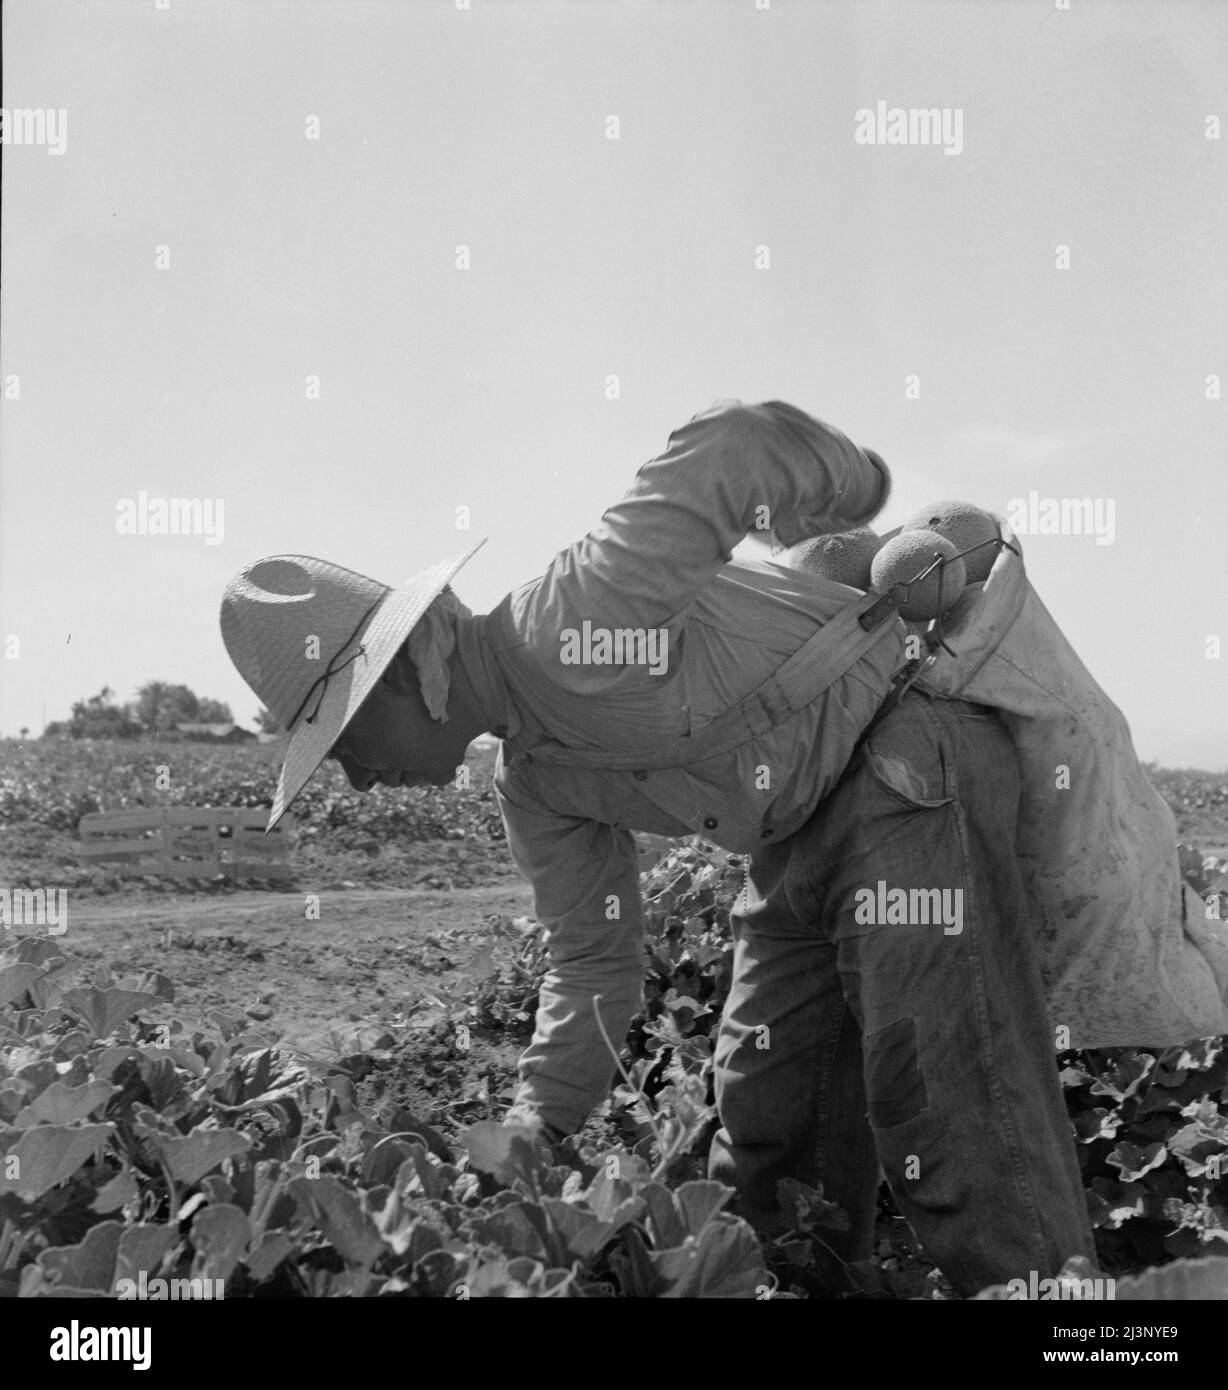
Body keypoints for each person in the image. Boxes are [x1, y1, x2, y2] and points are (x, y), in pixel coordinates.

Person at [220, 398, 1097, 1297]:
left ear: (410, 673)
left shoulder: (570, 615)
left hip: (907, 765)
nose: (360, 780)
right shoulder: (534, 787)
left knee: (949, 1099)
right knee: (769, 1129)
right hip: (794, 838)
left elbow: (735, 443)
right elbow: (592, 962)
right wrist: (534, 1125)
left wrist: (855, 490)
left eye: (347, 743)